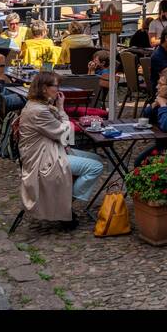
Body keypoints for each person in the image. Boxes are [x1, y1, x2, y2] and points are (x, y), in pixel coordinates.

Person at [18, 71, 105, 229]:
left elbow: (61, 133)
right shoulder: (39, 111)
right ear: (45, 88)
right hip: (43, 159)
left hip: (49, 150)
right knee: (96, 167)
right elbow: (64, 134)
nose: (59, 89)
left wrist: (58, 110)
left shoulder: (38, 106)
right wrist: (61, 108)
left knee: (97, 159)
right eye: (56, 86)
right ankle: (64, 205)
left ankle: (62, 202)